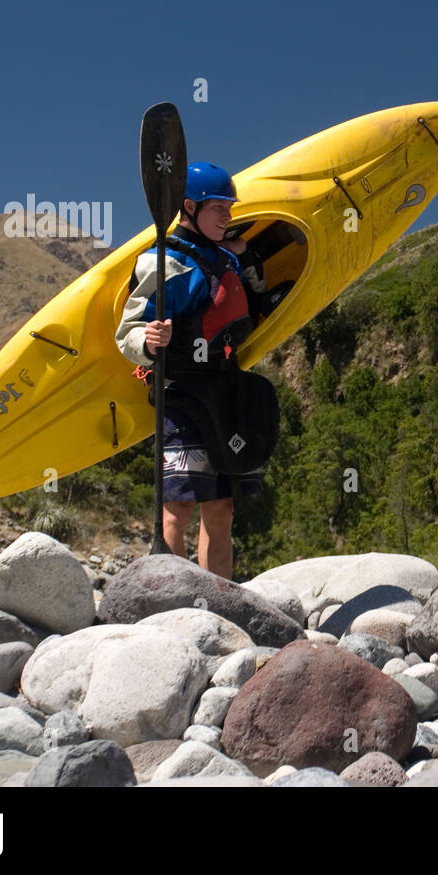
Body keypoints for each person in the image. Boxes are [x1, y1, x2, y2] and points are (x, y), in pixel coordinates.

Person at [116, 162, 269, 579]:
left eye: (229, 208)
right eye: (217, 207)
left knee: (221, 507)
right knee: (179, 503)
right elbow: (127, 332)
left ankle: (216, 599)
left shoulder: (224, 256)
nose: (227, 216)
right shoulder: (162, 262)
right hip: (181, 391)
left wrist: (243, 254)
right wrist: (146, 341)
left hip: (223, 389)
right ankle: (172, 599)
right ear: (189, 207)